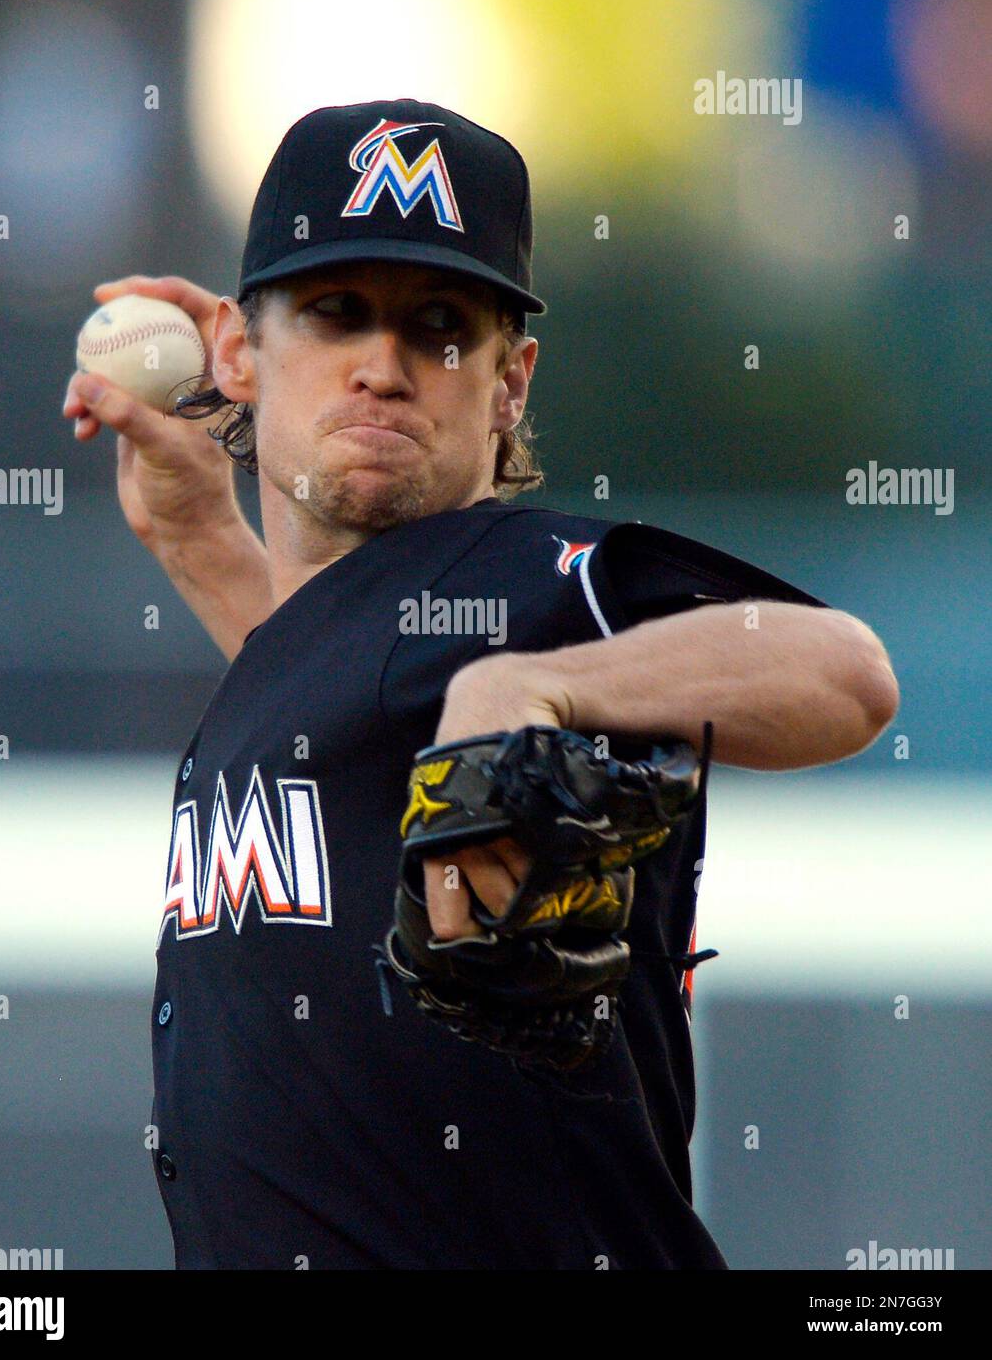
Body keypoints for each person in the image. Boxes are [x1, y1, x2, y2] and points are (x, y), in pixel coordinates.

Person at [63, 99, 899, 1269]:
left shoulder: (520, 582)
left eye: (441, 327)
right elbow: (345, 712)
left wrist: (538, 684)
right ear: (238, 355)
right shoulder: (329, 654)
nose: (383, 366)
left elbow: (844, 672)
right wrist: (200, 538)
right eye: (335, 312)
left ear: (509, 383)